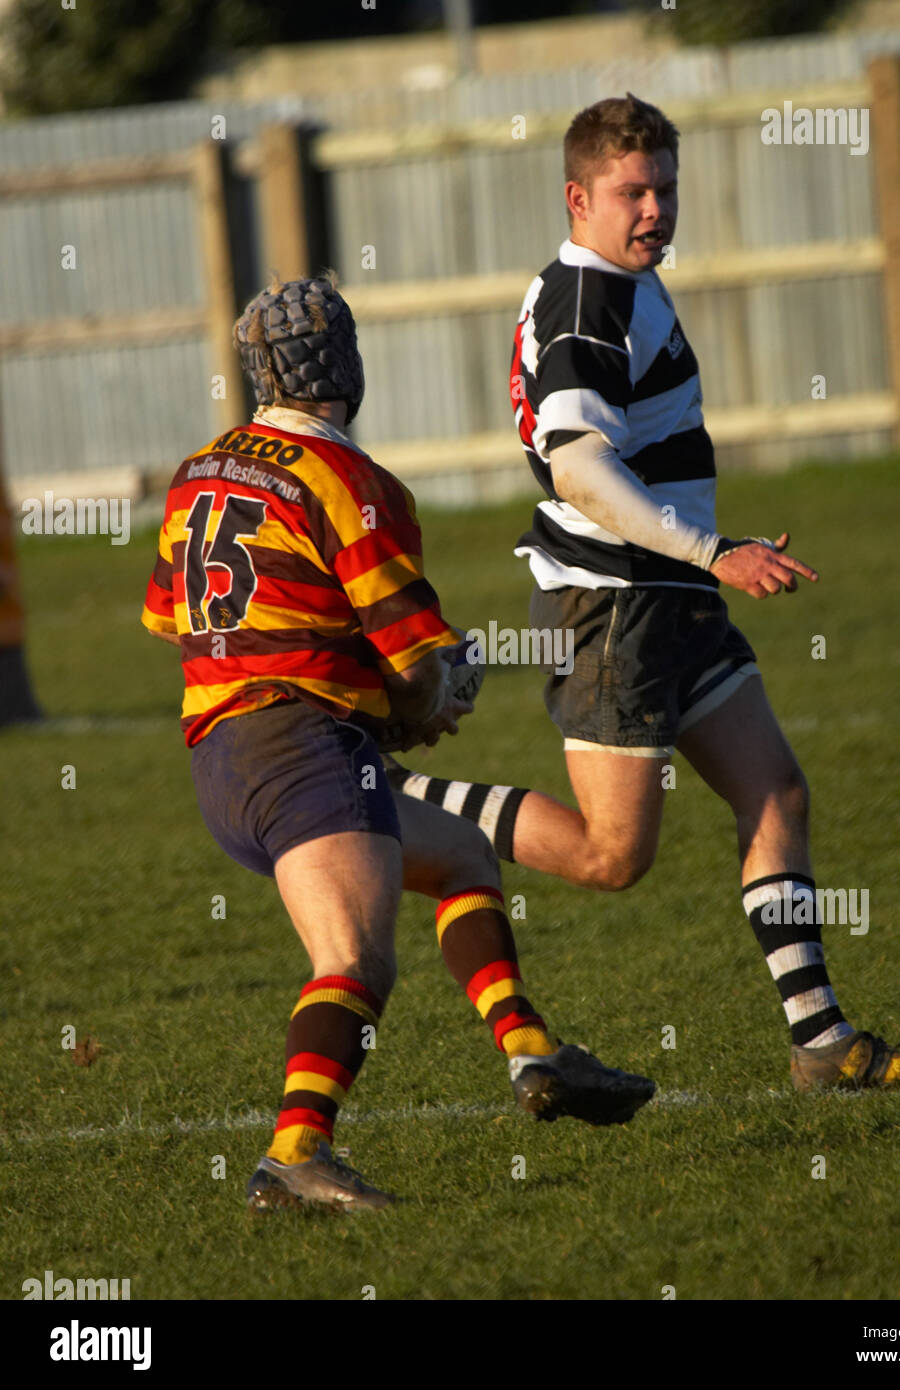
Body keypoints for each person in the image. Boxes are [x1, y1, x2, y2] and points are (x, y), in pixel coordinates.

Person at [388, 96, 900, 1092]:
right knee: (613, 856)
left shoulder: (613, 281)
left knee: (775, 789)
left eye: (665, 188)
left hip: (669, 592)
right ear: (579, 197)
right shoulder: (589, 303)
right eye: (631, 192)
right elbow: (579, 467)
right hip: (615, 609)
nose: (654, 209)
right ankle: (387, 801)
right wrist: (713, 551)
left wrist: (709, 552)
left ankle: (822, 1045)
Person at [140, 276, 655, 1215]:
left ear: (255, 370)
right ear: (351, 368)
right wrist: (417, 708)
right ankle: (295, 1155)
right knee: (353, 960)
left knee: (461, 856)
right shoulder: (352, 482)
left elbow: (166, 618)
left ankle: (534, 1054)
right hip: (300, 746)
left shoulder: (195, 471)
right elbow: (419, 661)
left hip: (224, 758)